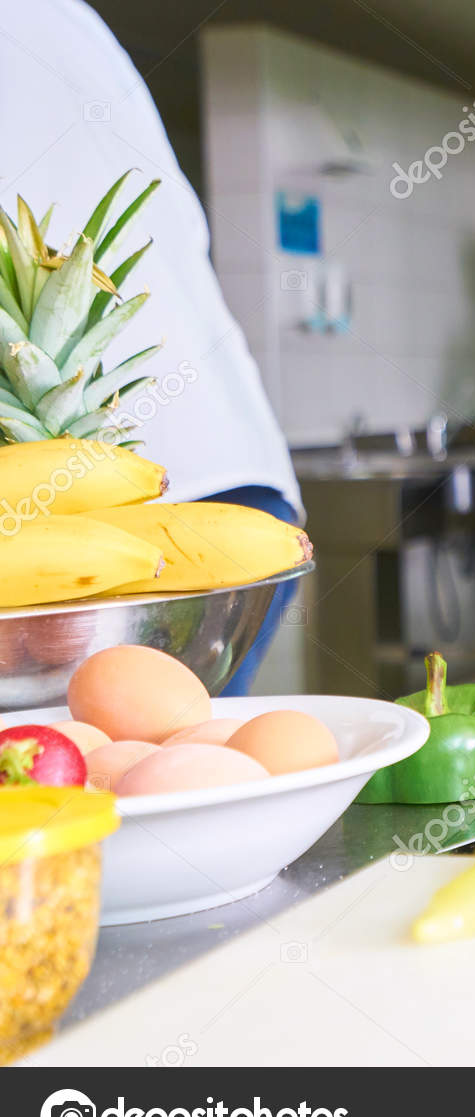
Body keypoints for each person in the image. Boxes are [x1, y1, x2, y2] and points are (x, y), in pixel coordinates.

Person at [11, 1, 303, 692]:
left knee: (105, 788)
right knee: (148, 780)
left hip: (135, 542)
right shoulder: (58, 16)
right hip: (232, 482)